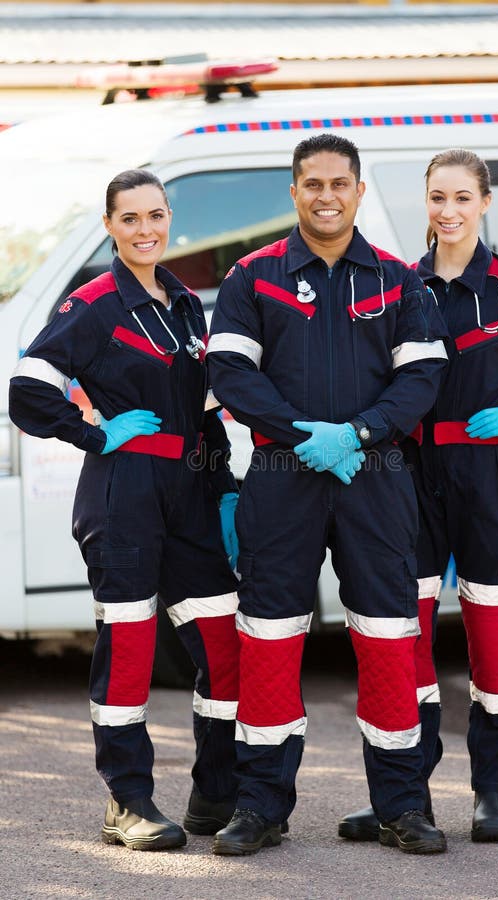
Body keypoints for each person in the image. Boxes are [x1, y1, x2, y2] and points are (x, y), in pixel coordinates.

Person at [338, 147, 498, 844]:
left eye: (462, 198)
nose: (448, 211)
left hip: (487, 482)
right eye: (437, 198)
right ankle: (406, 795)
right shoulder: (398, 288)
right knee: (404, 644)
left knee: (497, 646)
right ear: (423, 204)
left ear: (485, 203)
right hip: (408, 480)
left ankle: (493, 795)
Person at [206, 133, 450, 857]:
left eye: (339, 183)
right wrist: (303, 434)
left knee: (385, 637)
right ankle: (260, 806)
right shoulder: (251, 277)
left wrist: (361, 435)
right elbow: (229, 373)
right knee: (271, 638)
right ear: (293, 192)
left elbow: (423, 379)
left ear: (359, 191)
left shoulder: (400, 282)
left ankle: (401, 807)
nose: (326, 196)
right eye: (312, 184)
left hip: (374, 478)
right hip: (284, 478)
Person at [9, 169, 243, 851]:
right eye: (130, 218)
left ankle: (215, 791)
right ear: (109, 227)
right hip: (124, 494)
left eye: (156, 216)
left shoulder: (183, 303)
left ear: (171, 220)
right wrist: (93, 431)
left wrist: (223, 484)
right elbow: (29, 389)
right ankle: (128, 800)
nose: (146, 230)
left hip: (191, 494)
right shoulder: (92, 305)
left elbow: (204, 408)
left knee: (224, 648)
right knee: (132, 648)